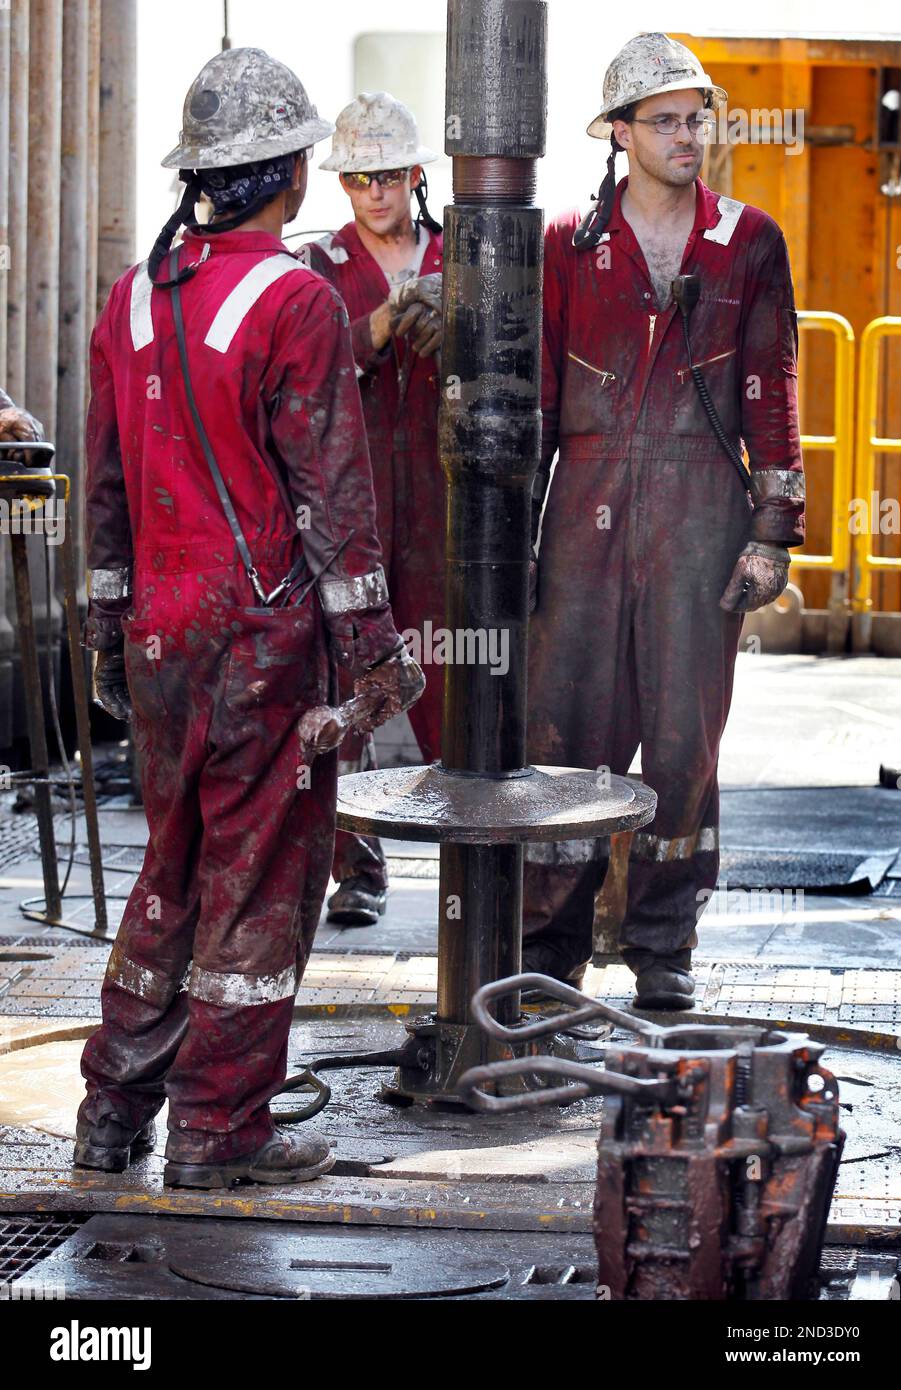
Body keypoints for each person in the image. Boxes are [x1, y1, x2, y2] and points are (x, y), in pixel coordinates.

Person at [74, 48, 423, 1189]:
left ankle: (113, 1112)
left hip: (162, 635)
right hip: (262, 639)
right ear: (284, 174)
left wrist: (106, 628)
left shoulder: (129, 299)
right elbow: (333, 495)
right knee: (261, 878)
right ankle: (222, 1130)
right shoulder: (294, 300)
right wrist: (372, 661)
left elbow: (108, 487)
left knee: (169, 866)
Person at [523, 33, 805, 1010]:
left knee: (685, 739)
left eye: (697, 117)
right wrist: (515, 544)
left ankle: (661, 940)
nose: (688, 136)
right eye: (667, 120)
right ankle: (551, 946)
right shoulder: (567, 243)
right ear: (619, 132)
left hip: (697, 515)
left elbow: (773, 388)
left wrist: (772, 528)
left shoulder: (748, 240)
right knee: (565, 737)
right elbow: (537, 400)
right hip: (583, 517)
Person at [298, 92, 446, 927]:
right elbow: (314, 369)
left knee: (452, 678)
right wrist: (379, 325)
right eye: (359, 179)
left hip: (443, 500)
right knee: (354, 682)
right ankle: (357, 869)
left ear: (416, 174)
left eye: (388, 175)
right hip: (354, 506)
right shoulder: (320, 266)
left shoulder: (460, 256)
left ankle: (477, 862)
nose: (376, 193)